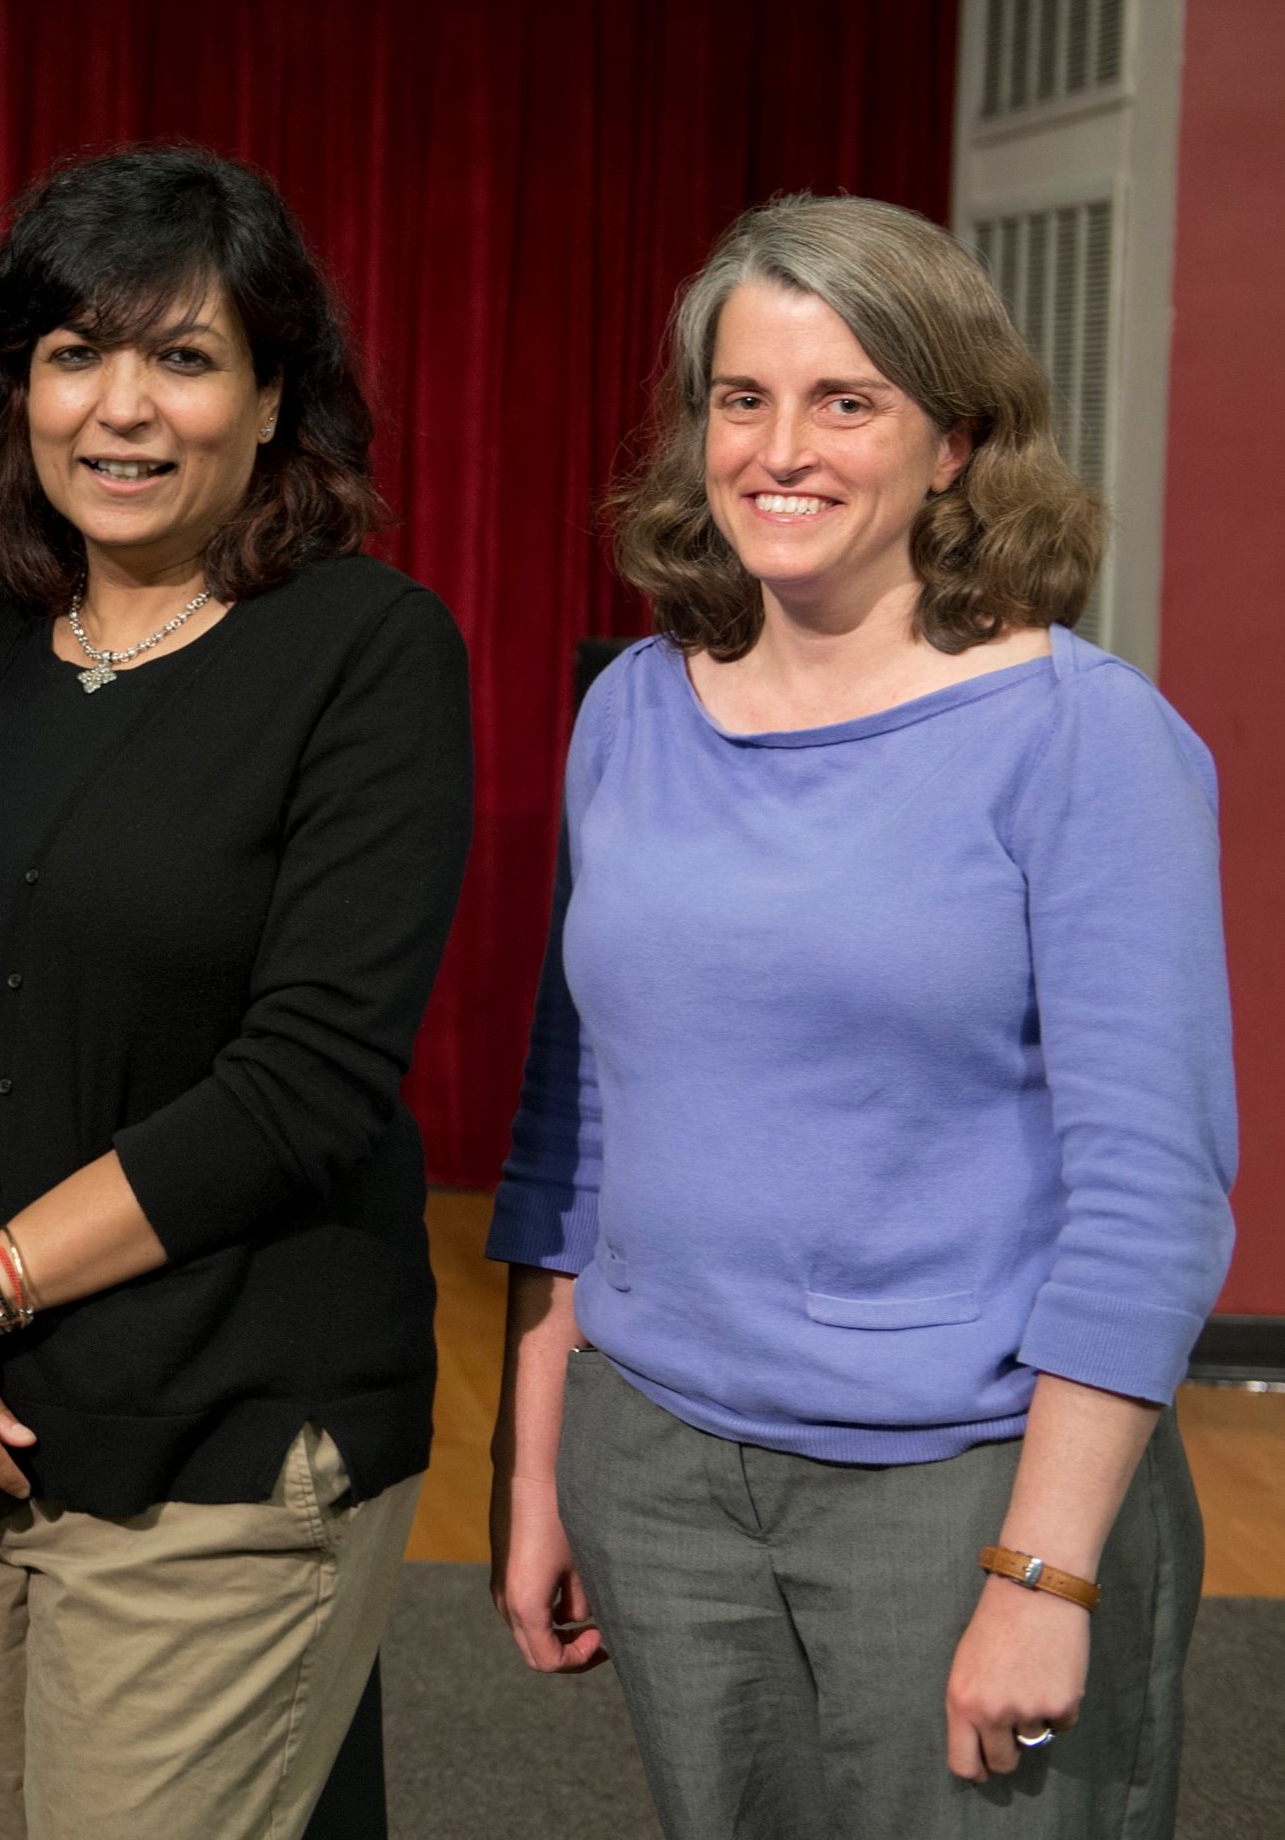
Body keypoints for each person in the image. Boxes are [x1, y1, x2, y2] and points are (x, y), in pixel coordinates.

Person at [487, 194, 1236, 1838]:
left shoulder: (1084, 743)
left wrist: (1042, 1568)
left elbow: (1152, 1194)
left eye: (848, 401)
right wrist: (535, 1470)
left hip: (962, 1488)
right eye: (741, 398)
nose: (780, 449)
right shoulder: (632, 707)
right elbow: (575, 1109)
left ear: (955, 439)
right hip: (659, 1468)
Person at [0, 145, 472, 1839]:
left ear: (270, 405)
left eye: (184, 358)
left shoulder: (369, 650)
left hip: (220, 1434)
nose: (123, 406)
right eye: (76, 350)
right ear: (18, 388)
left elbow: (304, 1084)